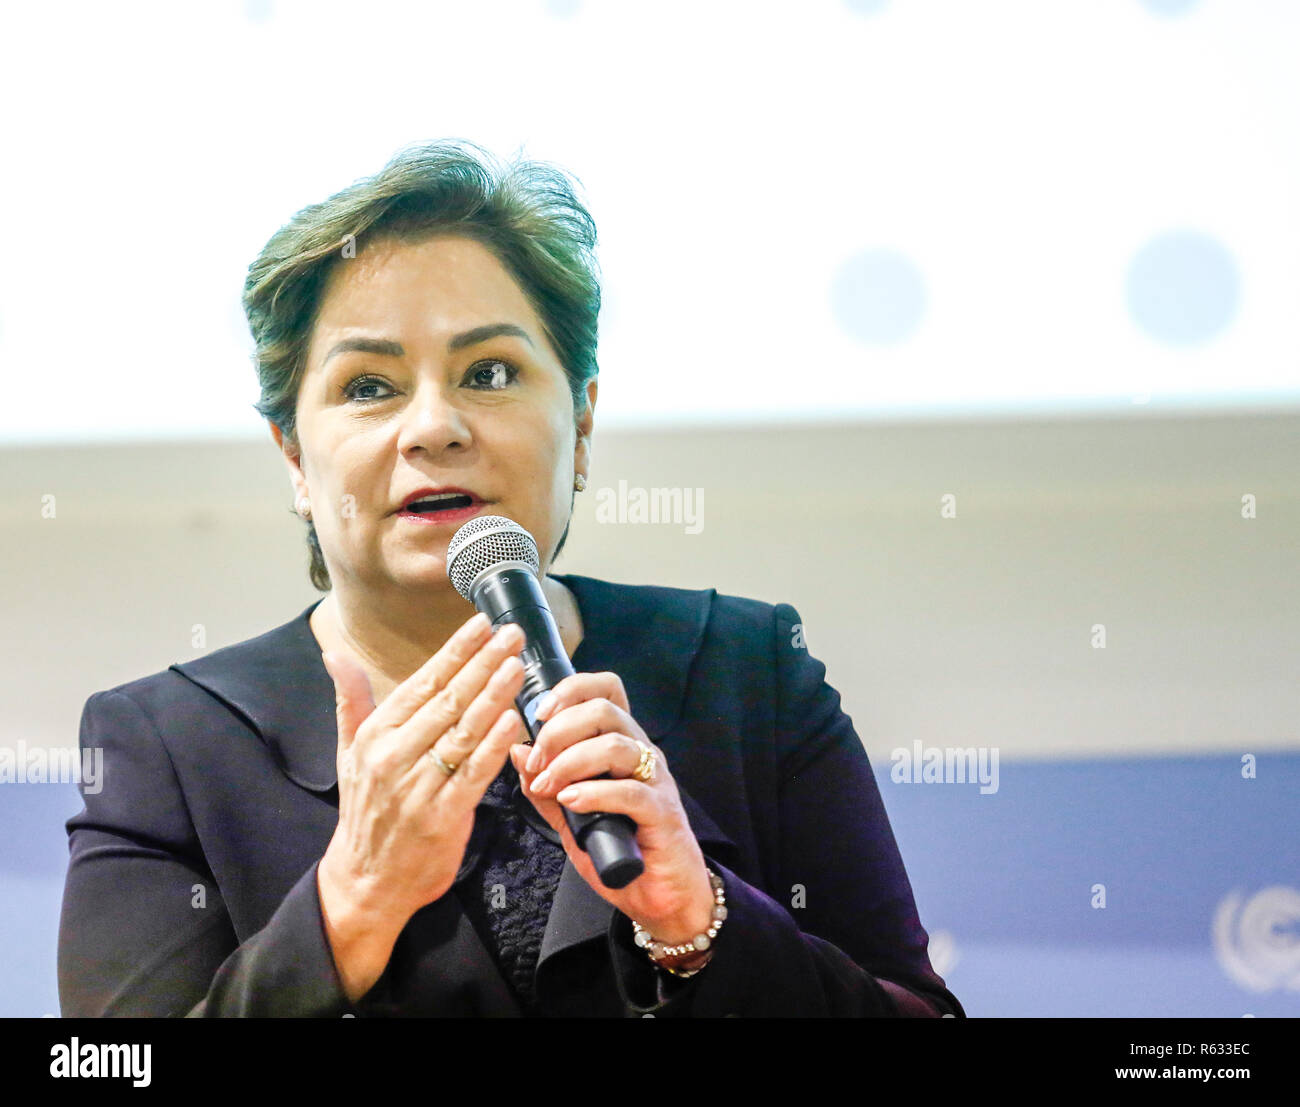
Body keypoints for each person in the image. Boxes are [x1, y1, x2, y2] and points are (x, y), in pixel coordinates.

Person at [57, 140, 964, 1018]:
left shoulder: (747, 671)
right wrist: (350, 906)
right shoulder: (168, 746)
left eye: (489, 372)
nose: (435, 426)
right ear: (295, 457)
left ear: (584, 419)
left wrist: (700, 924)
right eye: (369, 386)